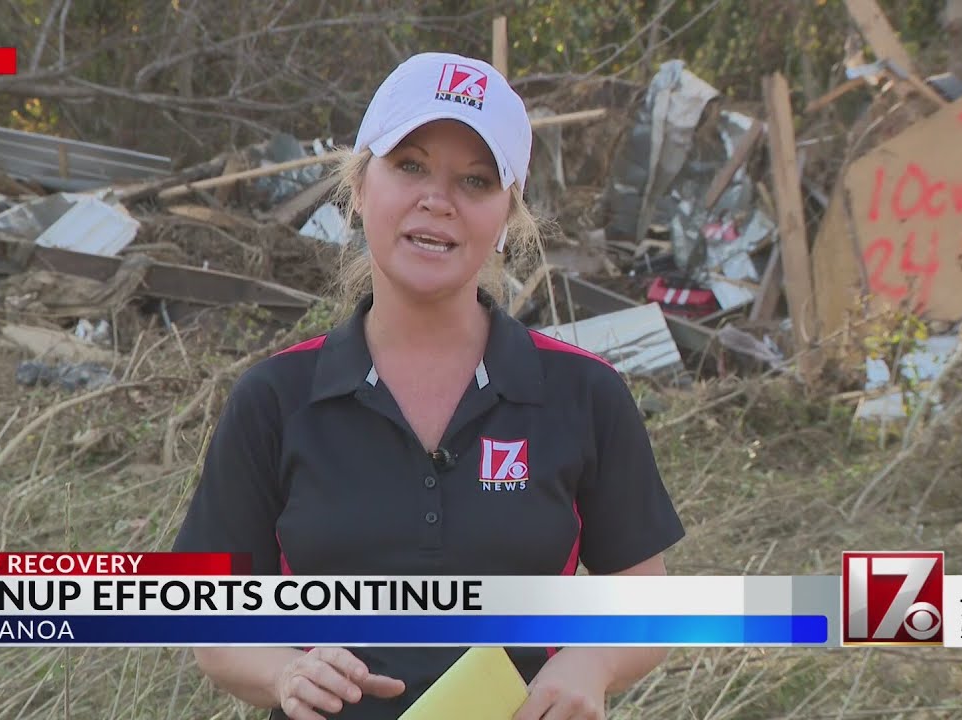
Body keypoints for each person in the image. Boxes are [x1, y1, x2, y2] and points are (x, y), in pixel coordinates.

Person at [173, 51, 685, 720]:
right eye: (409, 165)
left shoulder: (583, 395)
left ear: (507, 215)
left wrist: (593, 661)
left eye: (475, 181)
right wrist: (286, 672)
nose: (437, 201)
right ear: (359, 186)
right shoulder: (275, 399)